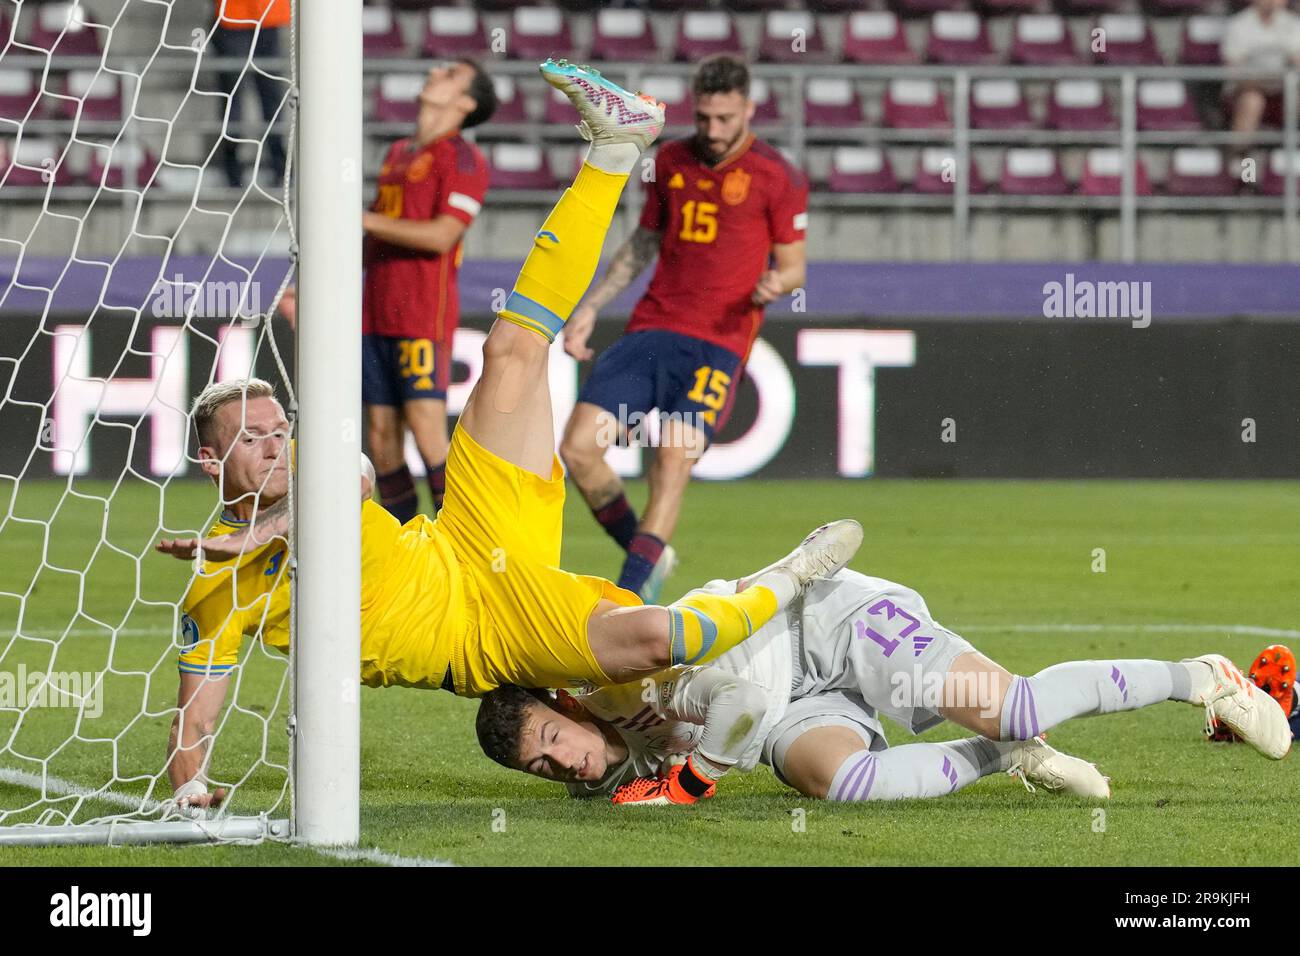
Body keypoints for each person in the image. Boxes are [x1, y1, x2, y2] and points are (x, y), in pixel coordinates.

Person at [155, 60, 864, 810]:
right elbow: (195, 712)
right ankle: (790, 577)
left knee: (513, 350)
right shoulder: (215, 588)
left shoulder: (307, 472)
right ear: (209, 461)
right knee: (663, 639)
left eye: (277, 430)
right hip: (484, 633)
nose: (275, 446)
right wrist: (189, 785)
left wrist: (263, 529)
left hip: (464, 535)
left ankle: (614, 151)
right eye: (251, 441)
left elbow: (358, 477)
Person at [476, 569, 1292, 805]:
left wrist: (693, 781)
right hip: (801, 702)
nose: (566, 767)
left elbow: (744, 704)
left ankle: (1205, 680)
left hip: (823, 622)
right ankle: (1003, 758)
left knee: (1021, 698)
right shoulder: (615, 773)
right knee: (844, 784)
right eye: (542, 771)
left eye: (554, 743)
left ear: (565, 701)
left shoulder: (615, 670)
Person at [558, 54, 809, 603]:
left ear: (747, 108)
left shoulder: (778, 176)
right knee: (579, 448)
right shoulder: (670, 160)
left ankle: (627, 601)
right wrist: (593, 305)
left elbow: (795, 266)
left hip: (718, 345)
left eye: (724, 119)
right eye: (704, 118)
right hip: (651, 331)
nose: (713, 131)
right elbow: (643, 244)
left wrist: (777, 284)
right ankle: (648, 553)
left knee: (673, 456)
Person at [361, 59, 496, 521]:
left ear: (466, 103)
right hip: (373, 310)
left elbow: (442, 235)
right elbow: (373, 238)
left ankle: (460, 543)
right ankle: (406, 547)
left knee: (426, 429)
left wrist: (361, 218)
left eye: (453, 72)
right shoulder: (397, 152)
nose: (437, 70)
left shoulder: (463, 159)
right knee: (380, 438)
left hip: (421, 311)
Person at [209, 0, 290, 189]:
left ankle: (279, 166)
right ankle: (233, 167)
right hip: (235, 16)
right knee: (234, 98)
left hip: (265, 16)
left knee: (268, 96)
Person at [1221, 0, 1300, 142]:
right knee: (1252, 101)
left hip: (1283, 89)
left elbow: (1297, 61)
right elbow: (1232, 68)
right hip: (1247, 89)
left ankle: (1292, 153)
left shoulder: (1294, 23)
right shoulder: (1238, 25)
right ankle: (1241, 158)